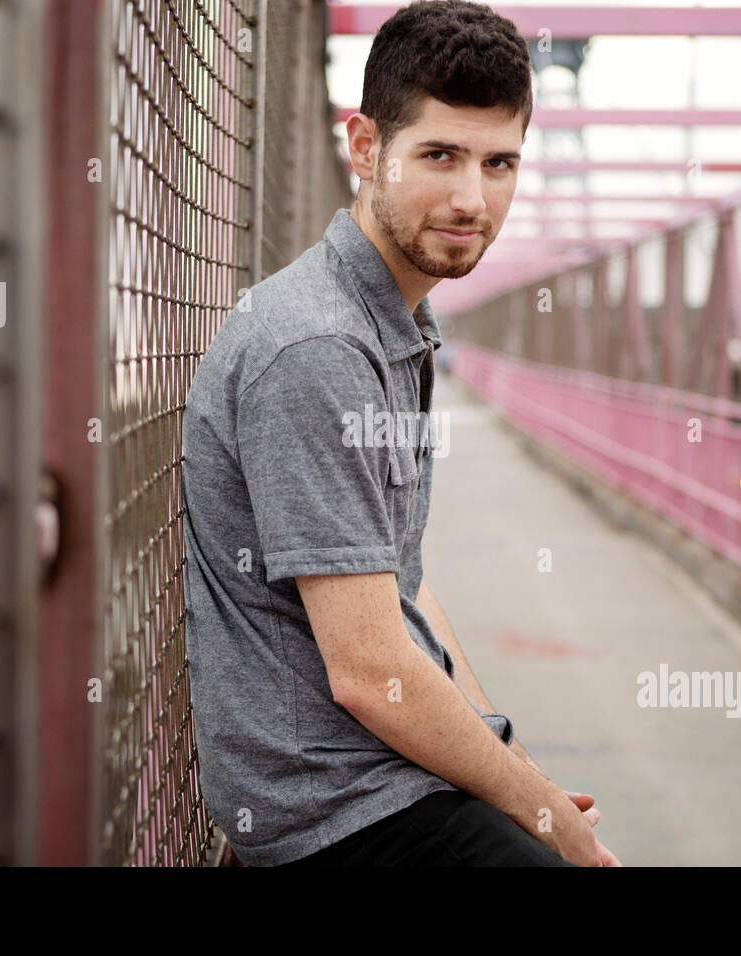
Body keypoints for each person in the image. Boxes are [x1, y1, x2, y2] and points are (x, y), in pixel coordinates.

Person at [180, 0, 620, 867]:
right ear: (366, 148)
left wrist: (509, 759)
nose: (472, 198)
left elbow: (407, 598)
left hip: (373, 775)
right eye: (441, 156)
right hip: (329, 806)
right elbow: (368, 670)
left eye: (500, 163)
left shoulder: (390, 329)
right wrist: (550, 823)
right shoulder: (318, 347)